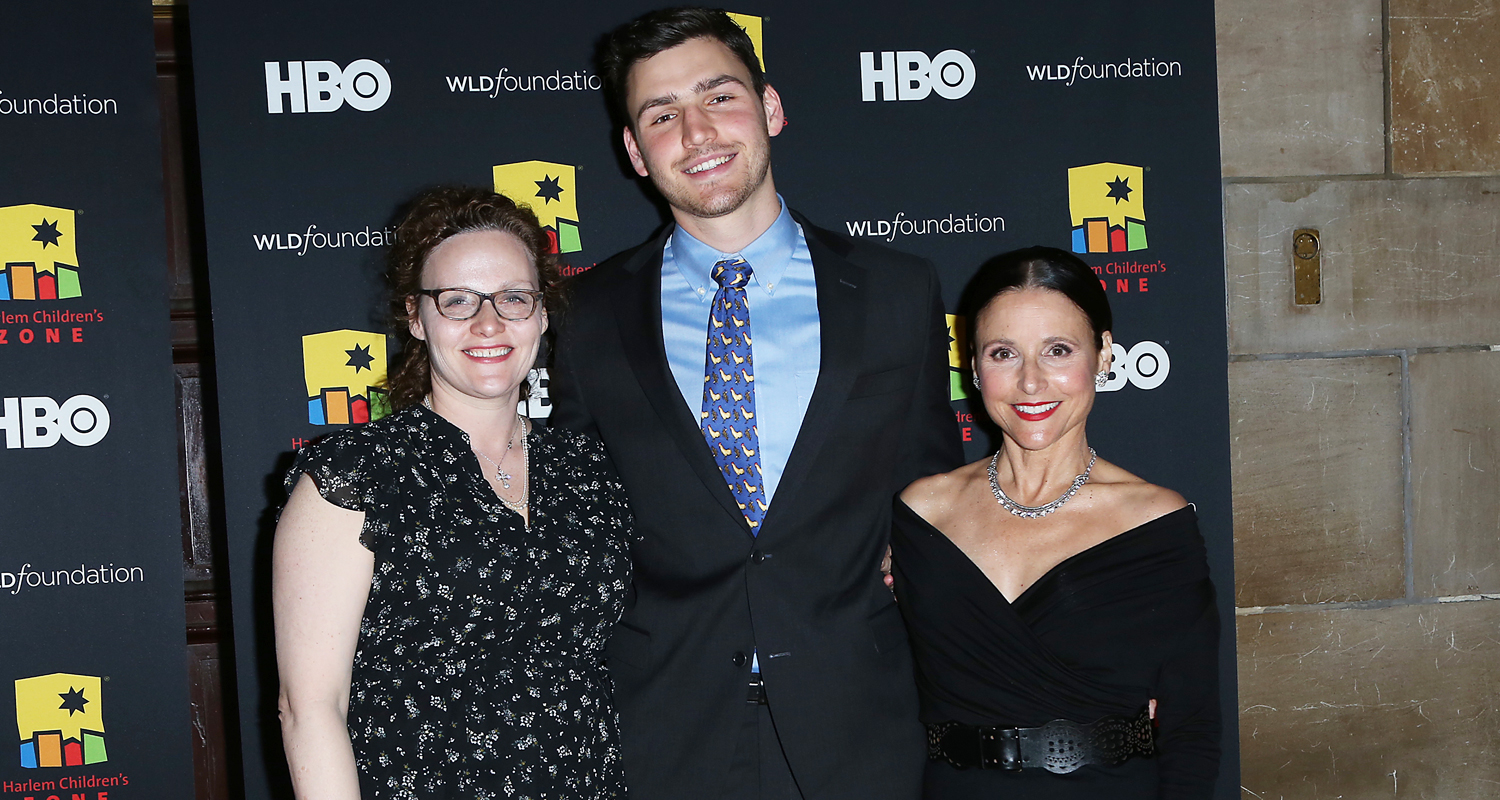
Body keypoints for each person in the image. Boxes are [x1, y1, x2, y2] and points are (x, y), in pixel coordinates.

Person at [549, 7, 963, 799]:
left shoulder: (896, 289)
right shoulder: (586, 314)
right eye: (662, 115)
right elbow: (573, 517)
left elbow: (935, 498)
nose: (697, 132)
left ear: (770, 108)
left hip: (861, 723)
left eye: (719, 97)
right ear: (634, 152)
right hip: (661, 728)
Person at [272, 187, 633, 799]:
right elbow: (310, 710)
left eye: (513, 298)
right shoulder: (356, 476)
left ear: (542, 314)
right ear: (416, 317)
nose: (488, 323)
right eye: (458, 300)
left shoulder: (589, 468)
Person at [891, 246, 1221, 799]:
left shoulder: (1155, 523)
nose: (1031, 382)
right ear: (973, 366)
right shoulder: (922, 514)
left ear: (1104, 354)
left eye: (1058, 350)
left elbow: (1193, 729)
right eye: (1003, 353)